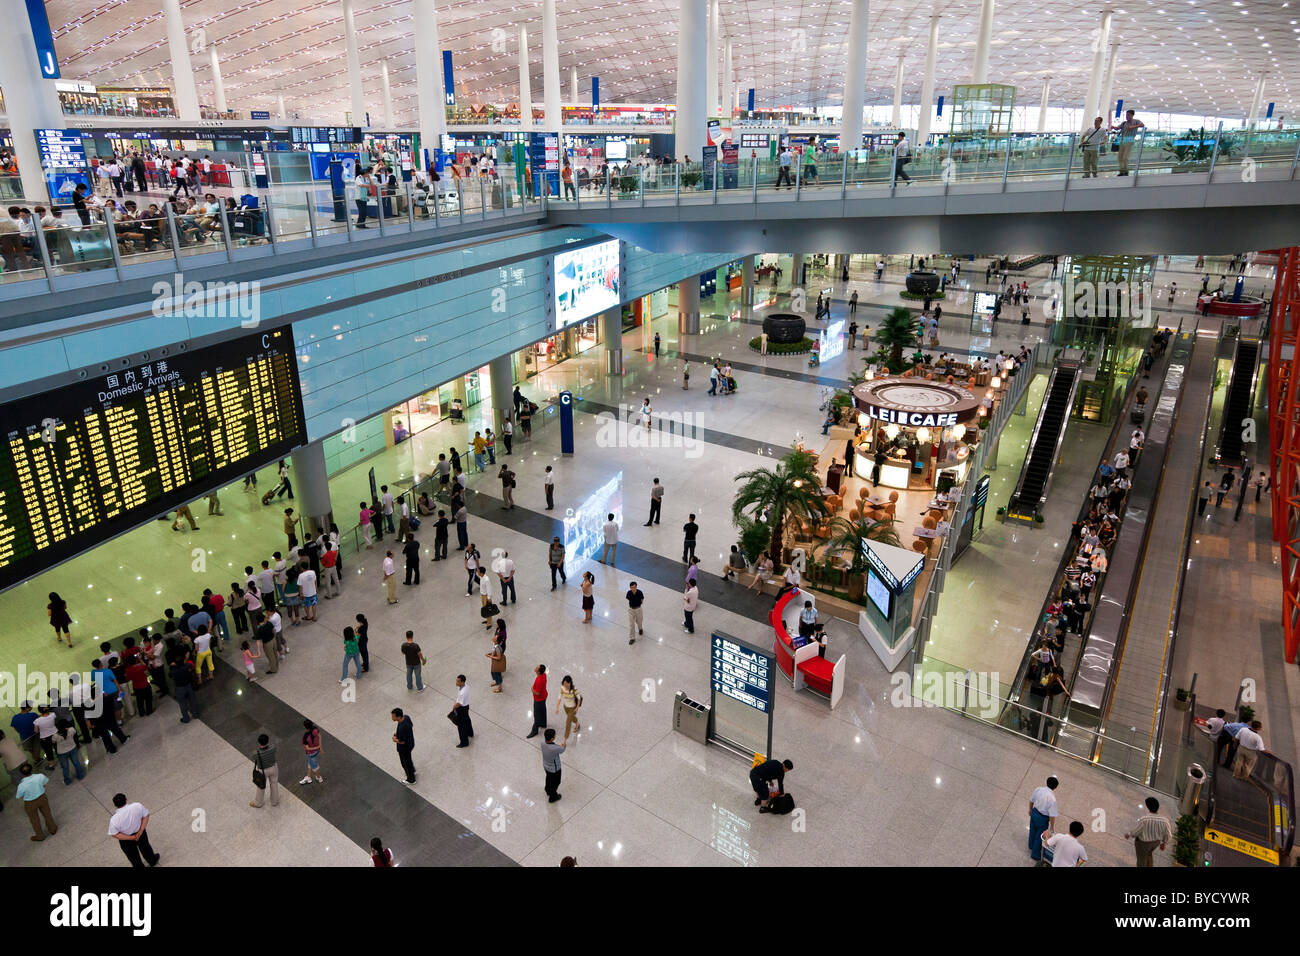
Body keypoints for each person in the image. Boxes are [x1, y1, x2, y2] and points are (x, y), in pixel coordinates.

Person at [1124, 797, 1172, 867]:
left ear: (1148, 807)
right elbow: (1168, 835)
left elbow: (1137, 832)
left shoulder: (1145, 819)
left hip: (1143, 844)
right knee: (1149, 853)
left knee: (1141, 859)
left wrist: (1129, 834)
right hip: (1156, 843)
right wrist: (1164, 843)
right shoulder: (1165, 820)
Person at [17, 762, 57, 841]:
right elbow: (44, 783)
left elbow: (19, 796)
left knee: (34, 820)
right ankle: (53, 829)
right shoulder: (40, 776)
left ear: (22, 773)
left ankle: (40, 836)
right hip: (42, 798)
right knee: (47, 814)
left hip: (30, 803)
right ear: (31, 769)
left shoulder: (21, 785)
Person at [1027, 776, 1060, 862]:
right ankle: (1035, 854)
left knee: (1032, 830)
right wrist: (1052, 827)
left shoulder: (1038, 789)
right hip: (1042, 818)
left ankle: (1030, 845)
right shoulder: (1052, 799)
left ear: (1046, 782)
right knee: (1039, 836)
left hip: (1034, 812)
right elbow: (1052, 815)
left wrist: (1030, 809)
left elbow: (1031, 800)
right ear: (1055, 787)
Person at [1111, 108, 1146, 176]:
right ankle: (1122, 171)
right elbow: (1118, 128)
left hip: (1130, 139)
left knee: (1125, 157)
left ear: (1132, 115)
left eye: (1129, 115)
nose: (1127, 116)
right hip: (1123, 139)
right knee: (1120, 157)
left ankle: (1126, 171)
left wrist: (1133, 127)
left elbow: (1142, 125)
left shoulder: (1136, 121)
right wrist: (1113, 127)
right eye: (1127, 115)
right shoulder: (1124, 123)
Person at [250, 734, 280, 808]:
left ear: (259, 743)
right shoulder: (273, 748)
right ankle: (274, 801)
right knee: (274, 784)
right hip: (273, 768)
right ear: (267, 741)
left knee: (260, 786)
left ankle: (258, 803)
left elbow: (254, 758)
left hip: (262, 771)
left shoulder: (256, 753)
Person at [541, 728, 566, 803]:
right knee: (556, 782)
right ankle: (553, 796)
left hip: (546, 766)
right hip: (554, 769)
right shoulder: (554, 748)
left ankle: (547, 790)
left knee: (548, 778)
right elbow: (562, 749)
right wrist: (564, 743)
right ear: (552, 739)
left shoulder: (542, 742)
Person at [391, 708, 416, 783]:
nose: (392, 718)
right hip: (411, 743)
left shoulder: (402, 728)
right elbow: (411, 725)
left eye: (393, 716)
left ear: (398, 717)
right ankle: (412, 770)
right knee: (408, 759)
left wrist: (394, 739)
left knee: (405, 763)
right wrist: (398, 734)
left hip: (404, 749)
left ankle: (411, 779)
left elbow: (402, 742)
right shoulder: (406, 717)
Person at [527, 664, 549, 738]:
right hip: (544, 696)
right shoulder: (544, 675)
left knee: (536, 714)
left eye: (537, 667)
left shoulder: (539, 680)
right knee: (543, 710)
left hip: (539, 700)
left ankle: (535, 730)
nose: (535, 667)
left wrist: (532, 689)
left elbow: (537, 693)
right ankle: (543, 723)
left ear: (539, 672)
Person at [452, 674, 474, 748]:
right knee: (467, 719)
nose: (456, 682)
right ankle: (470, 733)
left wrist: (454, 707)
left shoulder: (463, 692)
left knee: (461, 726)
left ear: (462, 682)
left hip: (462, 708)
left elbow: (459, 703)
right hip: (466, 706)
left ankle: (464, 742)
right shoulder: (465, 686)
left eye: (458, 681)